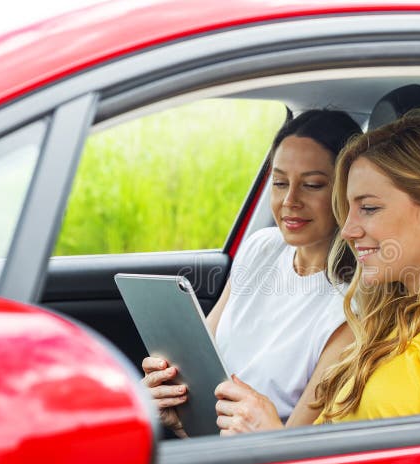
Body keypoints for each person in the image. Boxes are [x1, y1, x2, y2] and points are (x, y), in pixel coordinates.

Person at [213, 110, 420, 431]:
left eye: (369, 208)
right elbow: (321, 444)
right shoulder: (387, 316)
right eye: (348, 209)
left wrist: (272, 441)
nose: (347, 230)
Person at [141, 110, 361, 436]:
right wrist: (170, 398)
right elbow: (204, 353)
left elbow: (291, 446)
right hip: (199, 440)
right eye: (280, 183)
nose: (290, 200)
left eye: (312, 185)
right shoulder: (261, 247)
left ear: (348, 191)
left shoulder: (350, 306)